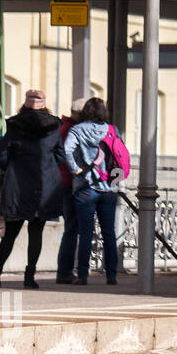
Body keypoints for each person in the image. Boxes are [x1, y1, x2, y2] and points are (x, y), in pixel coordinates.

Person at [0, 90, 65, 289]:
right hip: (43, 187)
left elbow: (3, 157)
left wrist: (11, 168)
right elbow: (61, 156)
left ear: (25, 105)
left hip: (18, 187)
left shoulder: (15, 126)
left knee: (10, 234)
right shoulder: (53, 128)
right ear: (44, 105)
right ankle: (29, 276)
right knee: (36, 234)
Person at [63, 97, 130, 285]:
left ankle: (83, 275)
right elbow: (121, 154)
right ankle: (112, 275)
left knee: (85, 233)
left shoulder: (77, 130)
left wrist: (75, 169)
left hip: (86, 187)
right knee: (108, 232)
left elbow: (67, 151)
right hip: (108, 188)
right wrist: (116, 182)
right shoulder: (112, 130)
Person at [54, 97, 86, 284]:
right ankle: (65, 271)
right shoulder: (71, 130)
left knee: (71, 229)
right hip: (70, 183)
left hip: (64, 182)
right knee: (72, 229)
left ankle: (66, 270)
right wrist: (78, 171)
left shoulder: (63, 126)